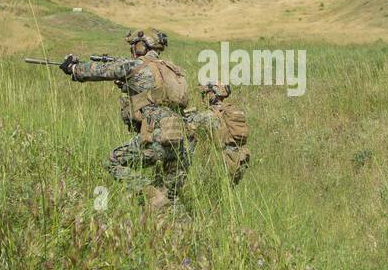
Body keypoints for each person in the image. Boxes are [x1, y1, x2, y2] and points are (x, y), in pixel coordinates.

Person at [60, 29, 190, 210]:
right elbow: (159, 96)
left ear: (141, 46)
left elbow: (101, 71)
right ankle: (184, 231)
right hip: (179, 144)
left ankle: (150, 193)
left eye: (133, 47)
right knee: (171, 200)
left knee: (113, 161)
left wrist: (73, 68)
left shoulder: (137, 66)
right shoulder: (173, 72)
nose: (132, 51)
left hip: (156, 138)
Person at [185, 82, 250, 183]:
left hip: (222, 162)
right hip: (239, 158)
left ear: (211, 95)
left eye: (205, 94)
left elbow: (189, 132)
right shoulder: (232, 110)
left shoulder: (208, 115)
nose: (203, 98)